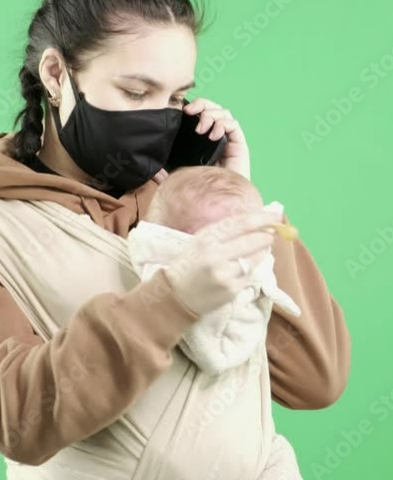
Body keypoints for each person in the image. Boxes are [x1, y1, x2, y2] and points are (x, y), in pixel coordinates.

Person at [0, 0, 351, 479]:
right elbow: (17, 420)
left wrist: (238, 208)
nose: (159, 116)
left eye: (176, 97)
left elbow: (316, 380)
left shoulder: (175, 200)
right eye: (136, 93)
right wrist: (172, 300)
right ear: (56, 75)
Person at [127, 165, 304, 479]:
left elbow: (318, 380)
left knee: (278, 456)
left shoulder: (258, 260)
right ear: (173, 239)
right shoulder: (159, 270)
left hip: (254, 449)